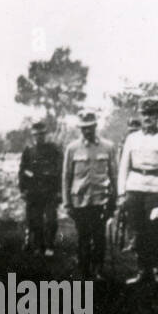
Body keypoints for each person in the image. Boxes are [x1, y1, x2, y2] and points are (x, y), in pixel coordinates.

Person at [116, 98, 158, 284]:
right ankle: (141, 269)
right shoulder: (132, 139)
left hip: (156, 187)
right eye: (144, 114)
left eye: (151, 114)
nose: (148, 117)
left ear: (157, 116)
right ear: (140, 115)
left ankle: (155, 269)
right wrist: (121, 193)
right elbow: (123, 168)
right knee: (137, 230)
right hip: (135, 187)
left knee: (155, 229)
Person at [62, 112, 118, 279]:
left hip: (101, 199)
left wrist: (116, 198)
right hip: (80, 200)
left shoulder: (108, 147)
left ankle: (98, 268)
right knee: (83, 236)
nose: (87, 131)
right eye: (84, 128)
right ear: (80, 129)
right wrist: (67, 203)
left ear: (95, 127)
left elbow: (114, 174)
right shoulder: (72, 148)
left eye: (90, 127)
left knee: (99, 235)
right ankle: (85, 269)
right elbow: (66, 176)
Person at [18, 121, 63, 257]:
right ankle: (38, 245)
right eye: (36, 135)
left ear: (45, 135)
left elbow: (60, 171)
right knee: (35, 220)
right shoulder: (29, 151)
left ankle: (49, 245)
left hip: (50, 191)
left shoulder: (53, 149)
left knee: (51, 220)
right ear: (33, 136)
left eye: (42, 134)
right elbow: (22, 171)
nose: (39, 137)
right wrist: (23, 189)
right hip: (34, 192)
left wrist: (59, 191)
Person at [114, 117, 143, 253]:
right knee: (129, 214)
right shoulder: (124, 144)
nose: (133, 133)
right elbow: (120, 165)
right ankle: (132, 241)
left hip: (142, 181)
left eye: (136, 130)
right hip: (128, 181)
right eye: (131, 130)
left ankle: (144, 241)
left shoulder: (144, 142)